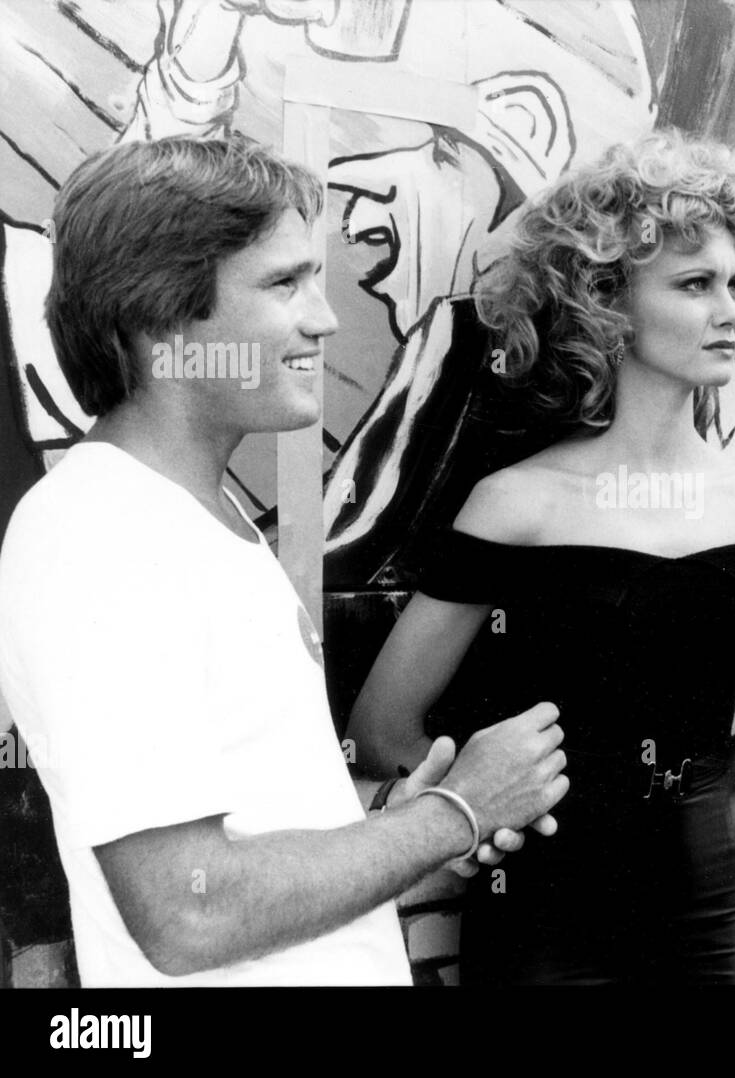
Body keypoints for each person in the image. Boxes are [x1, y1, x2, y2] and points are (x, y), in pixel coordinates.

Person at [0, 136, 568, 987]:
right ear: (163, 321)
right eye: (283, 283)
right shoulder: (101, 536)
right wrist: (457, 813)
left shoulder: (192, 513)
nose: (325, 319)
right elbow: (188, 911)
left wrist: (395, 822)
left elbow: (248, 832)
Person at [347, 131, 735, 985]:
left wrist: (688, 790)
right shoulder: (516, 506)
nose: (730, 312)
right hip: (546, 916)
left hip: (711, 911)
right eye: (694, 285)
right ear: (608, 300)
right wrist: (490, 809)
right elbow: (383, 731)